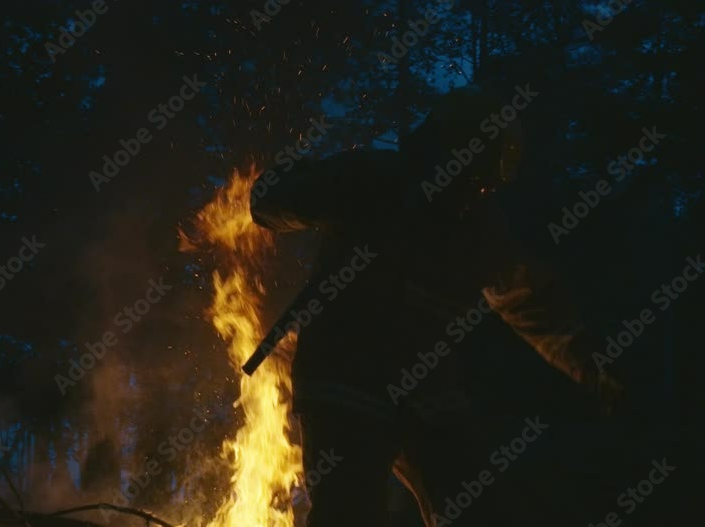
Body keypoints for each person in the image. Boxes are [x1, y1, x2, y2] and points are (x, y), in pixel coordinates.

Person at [248, 84, 625, 526]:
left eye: (487, 184)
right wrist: (288, 184)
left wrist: (593, 365)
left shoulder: (479, 227)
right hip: (345, 386)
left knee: (476, 508)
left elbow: (531, 302)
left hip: (426, 393)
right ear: (450, 152)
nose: (479, 192)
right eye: (476, 179)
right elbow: (272, 203)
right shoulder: (373, 180)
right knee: (349, 513)